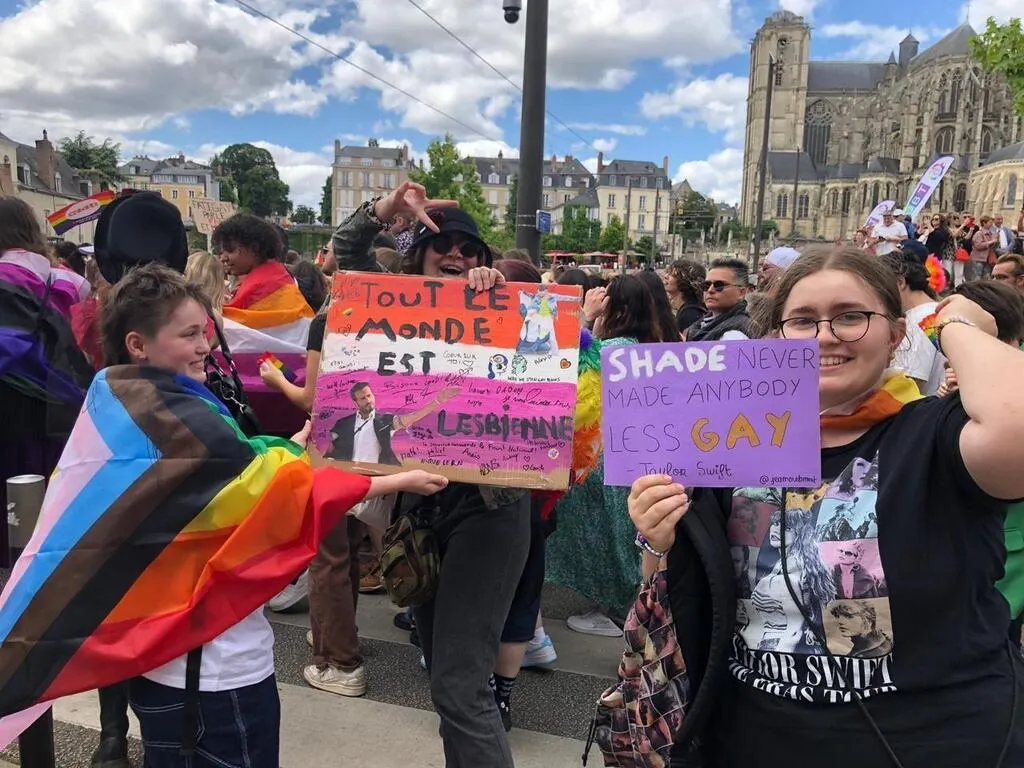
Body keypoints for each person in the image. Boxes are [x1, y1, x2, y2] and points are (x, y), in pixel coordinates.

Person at [626, 245, 1024, 766]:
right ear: (776, 338)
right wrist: (655, 538)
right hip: (750, 739)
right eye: (803, 320)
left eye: (852, 317)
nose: (826, 335)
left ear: (895, 335)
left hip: (927, 743)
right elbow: (684, 591)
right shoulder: (730, 442)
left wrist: (953, 323)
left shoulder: (933, 434)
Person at [92, 263, 447, 766]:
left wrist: (293, 443)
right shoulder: (179, 422)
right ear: (137, 344)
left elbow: (243, 471)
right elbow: (278, 496)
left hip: (165, 658)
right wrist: (398, 479)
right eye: (189, 334)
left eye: (206, 333)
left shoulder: (119, 401)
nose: (204, 347)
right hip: (210, 669)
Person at [331, 182, 532, 767]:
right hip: (419, 508)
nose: (460, 257)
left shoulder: (504, 307)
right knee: (445, 680)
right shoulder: (391, 300)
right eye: (445, 245)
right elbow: (347, 256)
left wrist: (497, 298)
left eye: (472, 250)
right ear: (416, 255)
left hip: (490, 508)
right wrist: (383, 211)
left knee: (460, 685)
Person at [326, 382, 457, 465]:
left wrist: (437, 401)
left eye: (369, 396)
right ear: (355, 403)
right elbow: (329, 451)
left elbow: (411, 418)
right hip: (349, 475)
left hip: (379, 478)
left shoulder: (384, 420)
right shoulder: (343, 424)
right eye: (363, 398)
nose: (368, 400)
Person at [685, 258, 751, 341]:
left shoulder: (736, 336)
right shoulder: (700, 325)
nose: (710, 290)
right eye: (706, 285)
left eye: (719, 285)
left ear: (741, 292)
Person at [662, 260, 706, 332]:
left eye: (672, 275)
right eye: (667, 273)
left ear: (685, 280)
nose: (665, 276)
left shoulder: (690, 314)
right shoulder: (688, 309)